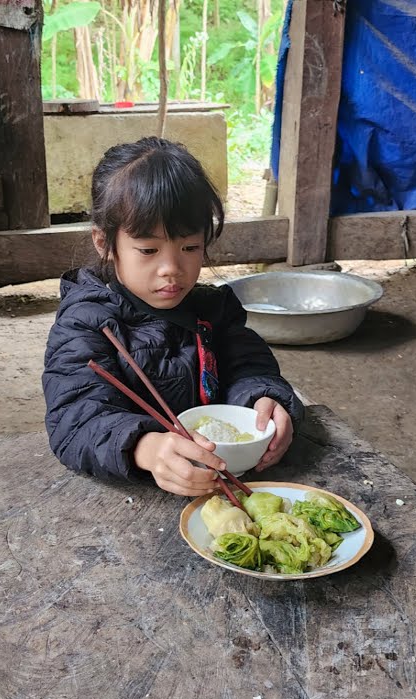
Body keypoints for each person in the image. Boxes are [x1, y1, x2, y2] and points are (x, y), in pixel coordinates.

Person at [42, 136, 304, 496]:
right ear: (104, 242)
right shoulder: (87, 322)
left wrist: (264, 401)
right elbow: (75, 419)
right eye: (148, 249)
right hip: (138, 497)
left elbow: (250, 367)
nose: (171, 269)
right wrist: (144, 448)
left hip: (224, 482)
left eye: (190, 247)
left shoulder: (214, 310)